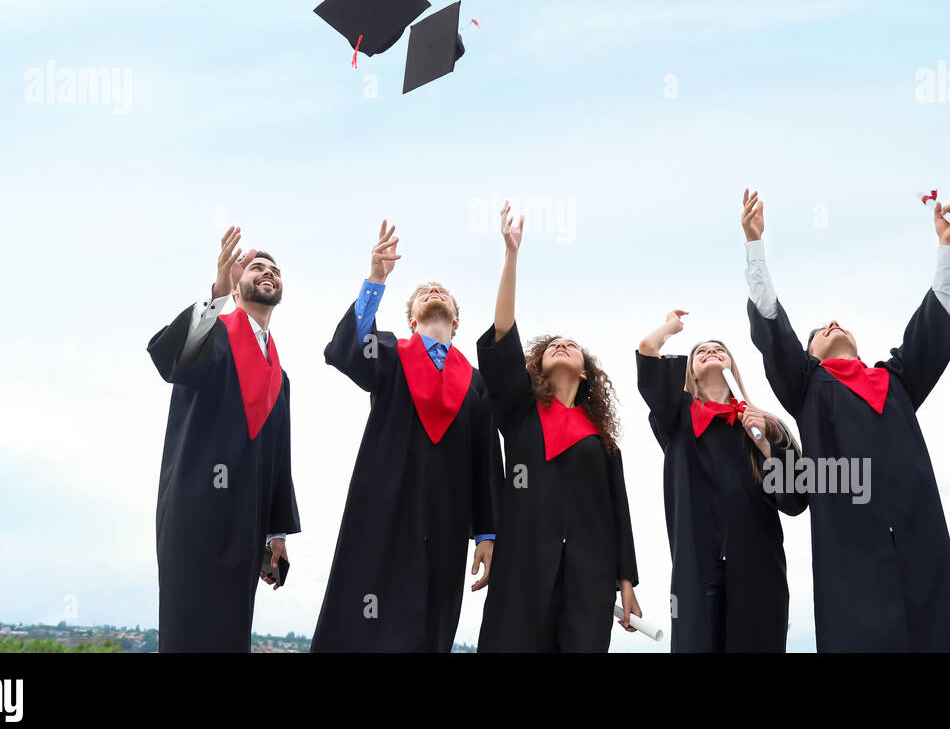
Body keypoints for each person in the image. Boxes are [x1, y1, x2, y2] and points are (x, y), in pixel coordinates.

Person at [742, 188, 950, 652]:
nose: (832, 323)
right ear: (807, 355)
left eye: (839, 323)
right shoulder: (807, 387)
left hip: (919, 534)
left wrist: (947, 247)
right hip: (849, 551)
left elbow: (934, 320)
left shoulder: (898, 380)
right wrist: (754, 245)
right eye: (819, 332)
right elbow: (771, 324)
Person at [311, 221, 502, 652]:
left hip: (447, 520)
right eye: (423, 291)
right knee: (366, 617)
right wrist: (376, 278)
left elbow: (486, 461)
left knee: (430, 624)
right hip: (384, 506)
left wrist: (487, 535)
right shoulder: (392, 355)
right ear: (412, 318)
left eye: (442, 291)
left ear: (455, 320)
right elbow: (348, 350)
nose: (434, 289)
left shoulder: (476, 383)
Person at [475, 202, 640, 652]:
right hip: (523, 561)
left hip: (591, 569)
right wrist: (511, 257)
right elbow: (502, 334)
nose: (563, 345)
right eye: (553, 345)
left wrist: (626, 581)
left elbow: (619, 511)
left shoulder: (602, 438)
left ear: (585, 372)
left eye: (571, 345)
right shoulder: (521, 412)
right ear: (537, 366)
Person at [146, 226, 299, 652]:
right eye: (256, 267)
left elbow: (278, 457)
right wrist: (217, 291)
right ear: (237, 282)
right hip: (195, 504)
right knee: (189, 621)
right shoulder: (213, 335)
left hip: (245, 519)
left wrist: (276, 535)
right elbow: (174, 361)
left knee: (232, 630)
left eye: (275, 270)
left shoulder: (279, 375)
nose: (268, 273)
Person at [637, 314, 807, 652]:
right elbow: (647, 351)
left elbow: (796, 501)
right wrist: (670, 328)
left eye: (719, 350)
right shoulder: (676, 418)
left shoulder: (768, 425)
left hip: (759, 566)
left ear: (732, 364)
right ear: (689, 371)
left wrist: (764, 445)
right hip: (697, 569)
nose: (710, 351)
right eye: (700, 351)